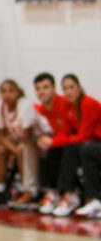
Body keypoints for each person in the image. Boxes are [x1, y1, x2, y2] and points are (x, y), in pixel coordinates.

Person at [38, 74, 101, 216]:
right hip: (91, 144)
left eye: (71, 87)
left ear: (79, 88)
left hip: (95, 143)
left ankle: (95, 198)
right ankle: (64, 194)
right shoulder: (68, 106)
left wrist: (54, 141)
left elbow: (84, 136)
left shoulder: (88, 103)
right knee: (61, 149)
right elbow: (65, 133)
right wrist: (49, 142)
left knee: (84, 149)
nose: (68, 92)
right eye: (65, 89)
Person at [0, 80, 39, 208]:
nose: (7, 95)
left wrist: (16, 150)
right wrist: (13, 149)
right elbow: (1, 135)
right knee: (0, 150)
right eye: (3, 91)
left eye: (11, 91)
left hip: (33, 141)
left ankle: (28, 190)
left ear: (18, 92)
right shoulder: (0, 106)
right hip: (16, 142)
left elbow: (27, 135)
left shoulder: (25, 105)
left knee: (23, 149)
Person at [33, 72, 69, 213]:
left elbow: (68, 133)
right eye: (38, 88)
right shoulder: (40, 109)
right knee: (40, 148)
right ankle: (48, 192)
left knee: (55, 150)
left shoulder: (64, 104)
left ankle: (63, 193)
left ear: (54, 88)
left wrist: (51, 141)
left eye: (45, 87)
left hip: (77, 141)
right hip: (62, 141)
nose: (41, 92)